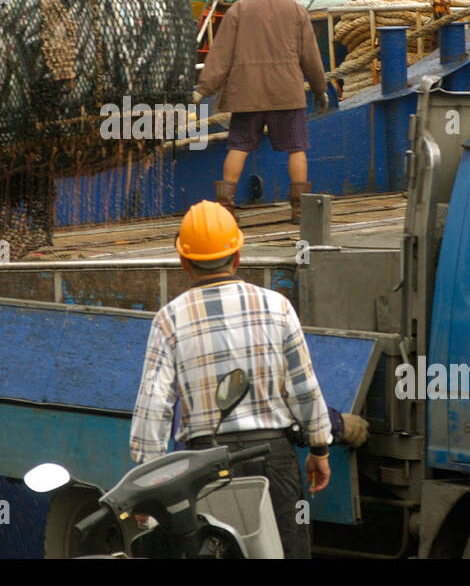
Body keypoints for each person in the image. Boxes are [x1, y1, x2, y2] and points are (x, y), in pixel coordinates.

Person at [129, 200, 333, 558]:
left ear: (183, 262)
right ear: (237, 256)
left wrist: (146, 484)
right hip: (275, 460)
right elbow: (304, 386)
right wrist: (319, 447)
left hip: (204, 467)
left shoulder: (169, 320)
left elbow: (155, 405)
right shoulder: (278, 307)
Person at [194, 0, 329, 223]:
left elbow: (220, 56)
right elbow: (310, 56)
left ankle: (226, 207)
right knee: (296, 147)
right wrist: (319, 87)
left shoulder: (239, 10)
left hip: (247, 94)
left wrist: (202, 90)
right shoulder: (295, 9)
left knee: (239, 146)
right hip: (287, 93)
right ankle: (299, 210)